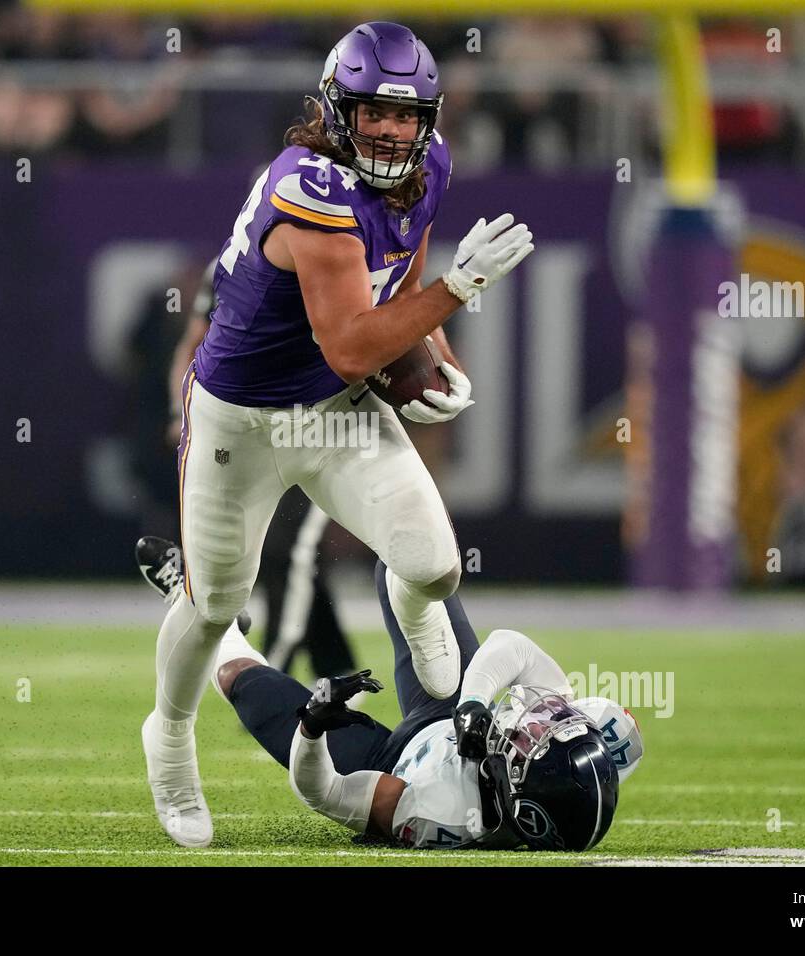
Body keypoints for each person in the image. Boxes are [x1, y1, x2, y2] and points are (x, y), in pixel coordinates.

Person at [144, 19, 534, 849]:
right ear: (334, 109)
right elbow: (354, 339)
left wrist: (435, 355)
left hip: (335, 407)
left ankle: (415, 615)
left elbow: (398, 280)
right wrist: (461, 289)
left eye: (407, 116)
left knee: (431, 565)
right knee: (216, 602)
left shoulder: (428, 169)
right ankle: (169, 736)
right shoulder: (310, 188)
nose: (393, 132)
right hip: (242, 419)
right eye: (373, 113)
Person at [137, 537, 643, 850]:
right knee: (411, 560)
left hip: (395, 757)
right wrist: (470, 706)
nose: (532, 720)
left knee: (239, 679)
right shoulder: (598, 740)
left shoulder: (434, 810)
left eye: (528, 740)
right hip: (450, 709)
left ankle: (195, 602)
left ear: (515, 791)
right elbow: (510, 648)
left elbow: (326, 793)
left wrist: (312, 727)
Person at [163, 255, 358, 679]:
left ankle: (275, 671)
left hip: (313, 427)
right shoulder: (228, 267)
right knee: (276, 553)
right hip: (246, 430)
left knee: (293, 552)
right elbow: (195, 342)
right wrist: (182, 411)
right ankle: (337, 666)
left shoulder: (337, 256)